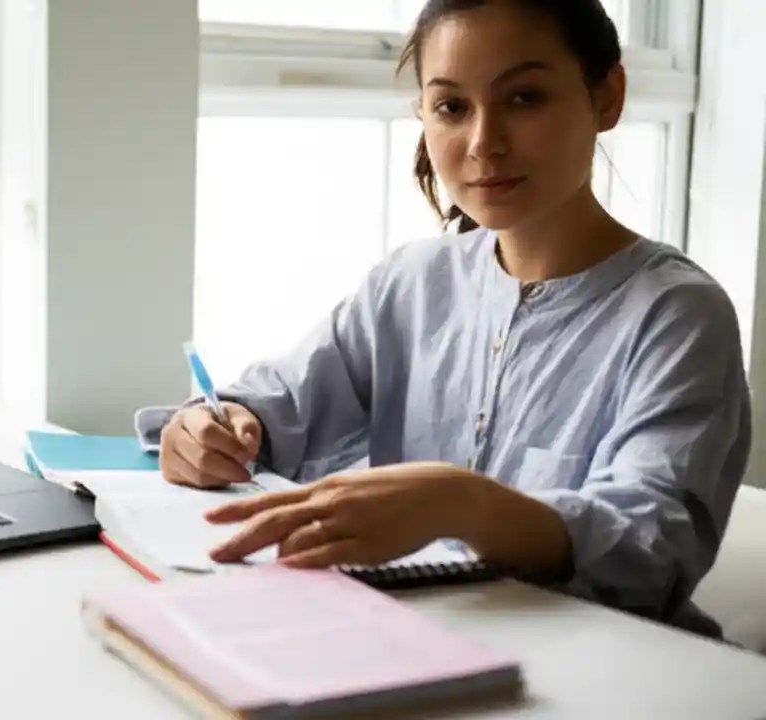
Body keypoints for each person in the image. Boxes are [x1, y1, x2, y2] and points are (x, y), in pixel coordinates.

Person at [156, 0, 750, 639]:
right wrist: (211, 429)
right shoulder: (410, 283)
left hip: (602, 667)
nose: (483, 144)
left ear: (608, 97)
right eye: (451, 107)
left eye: (524, 98)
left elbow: (649, 549)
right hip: (406, 643)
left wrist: (463, 504)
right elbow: (274, 405)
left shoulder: (678, 315)